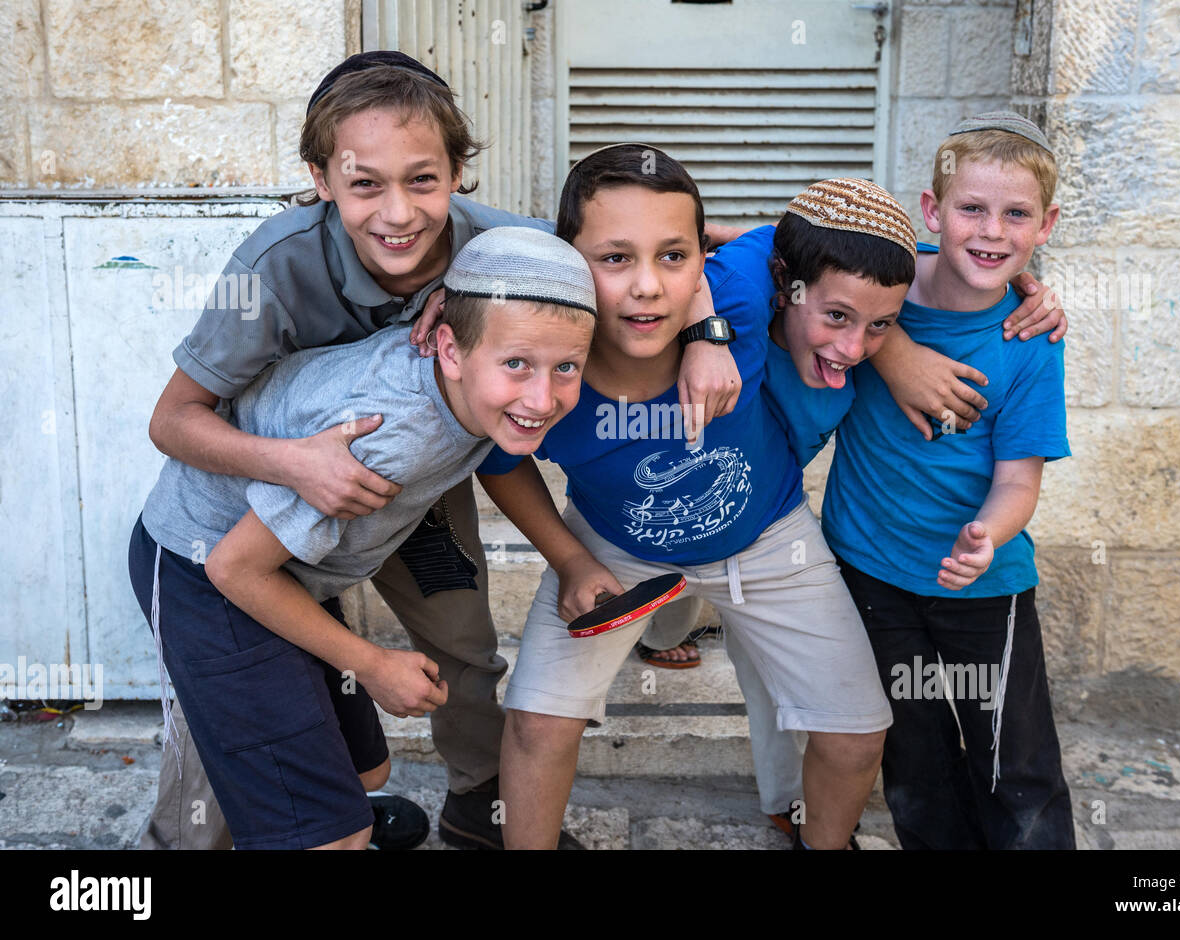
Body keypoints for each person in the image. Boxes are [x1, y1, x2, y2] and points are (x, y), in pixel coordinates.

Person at [138, 52, 737, 851]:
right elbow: (174, 421)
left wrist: (707, 332)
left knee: (462, 643)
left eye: (423, 180)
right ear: (320, 180)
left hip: (416, 484)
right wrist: (298, 464)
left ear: (459, 173)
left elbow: (672, 248)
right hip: (280, 490)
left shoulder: (510, 252)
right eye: (364, 184)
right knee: (245, 717)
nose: (398, 212)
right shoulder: (272, 268)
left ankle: (481, 808)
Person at [476, 144, 895, 850]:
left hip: (770, 537)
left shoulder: (737, 289)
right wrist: (571, 562)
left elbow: (821, 253)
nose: (647, 286)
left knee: (857, 732)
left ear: (702, 259)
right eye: (615, 259)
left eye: (673, 257)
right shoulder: (545, 359)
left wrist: (708, 329)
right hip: (615, 544)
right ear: (569, 262)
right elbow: (497, 461)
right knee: (536, 721)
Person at [127, 225, 599, 849]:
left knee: (364, 772)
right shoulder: (389, 435)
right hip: (203, 569)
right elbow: (234, 570)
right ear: (451, 350)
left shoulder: (477, 385)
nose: (542, 397)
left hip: (287, 570)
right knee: (327, 829)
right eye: (518, 364)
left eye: (566, 367)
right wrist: (372, 663)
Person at [640, 174, 1070, 837]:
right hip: (660, 506)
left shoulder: (874, 336)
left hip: (767, 522)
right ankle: (669, 634)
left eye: (881, 329)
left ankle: (791, 806)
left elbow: (885, 289)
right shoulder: (750, 299)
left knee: (786, 678)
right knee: (678, 601)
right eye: (975, 211)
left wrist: (898, 344)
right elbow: (759, 251)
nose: (853, 344)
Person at [822, 112, 1075, 847]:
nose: (992, 231)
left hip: (984, 593)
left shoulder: (1031, 341)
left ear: (1045, 225)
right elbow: (791, 248)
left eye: (1016, 214)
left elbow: (1019, 482)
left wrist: (988, 535)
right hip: (872, 574)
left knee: (1017, 766)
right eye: (972, 208)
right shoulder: (880, 292)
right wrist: (893, 342)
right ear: (932, 213)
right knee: (915, 759)